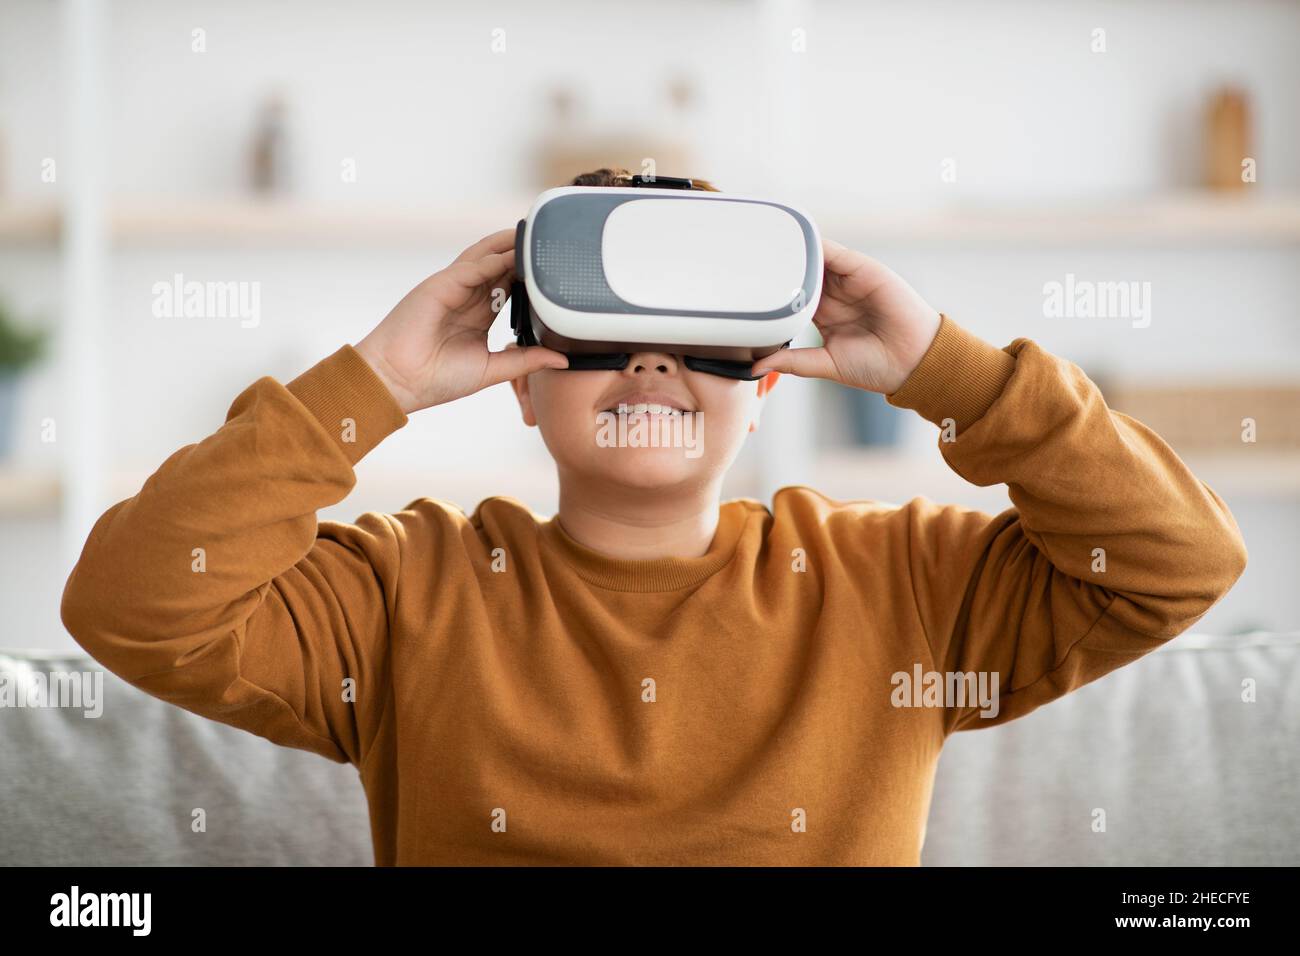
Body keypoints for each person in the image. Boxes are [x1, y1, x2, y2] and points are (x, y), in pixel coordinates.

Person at [60, 168, 1248, 865]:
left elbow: (1177, 558)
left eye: (697, 339)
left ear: (764, 380)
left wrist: (954, 370)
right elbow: (132, 601)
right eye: (595, 338)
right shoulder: (398, 590)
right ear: (522, 381)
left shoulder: (904, 581)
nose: (649, 368)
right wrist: (376, 380)